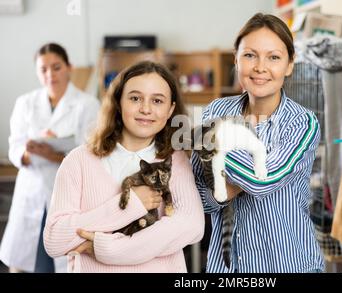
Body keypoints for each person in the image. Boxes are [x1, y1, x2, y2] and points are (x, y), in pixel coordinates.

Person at [191, 13, 324, 273]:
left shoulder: (302, 123)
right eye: (250, 55)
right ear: (236, 59)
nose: (260, 67)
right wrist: (226, 185)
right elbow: (198, 197)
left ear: (289, 64)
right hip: (227, 267)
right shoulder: (215, 110)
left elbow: (263, 181)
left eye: (274, 57)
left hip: (288, 264)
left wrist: (208, 144)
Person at [43, 61, 204, 273]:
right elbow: (55, 240)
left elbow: (191, 226)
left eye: (157, 100)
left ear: (170, 109)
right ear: (119, 102)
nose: (146, 109)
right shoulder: (78, 160)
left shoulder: (176, 160)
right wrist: (131, 204)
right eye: (135, 98)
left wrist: (107, 248)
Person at [0, 43, 100, 273]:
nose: (50, 75)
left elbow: (93, 155)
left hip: (67, 193)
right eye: (43, 69)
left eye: (56, 67)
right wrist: (29, 152)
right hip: (31, 191)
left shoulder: (88, 105)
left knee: (65, 263)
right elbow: (15, 148)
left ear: (69, 67)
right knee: (24, 264)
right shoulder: (25, 103)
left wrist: (54, 154)